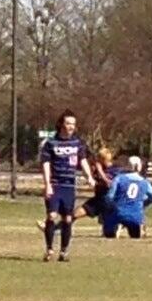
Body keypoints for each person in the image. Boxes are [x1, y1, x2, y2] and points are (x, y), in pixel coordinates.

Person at [40, 109, 95, 262]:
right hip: (55, 184)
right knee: (51, 215)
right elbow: (45, 164)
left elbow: (82, 161)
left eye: (73, 124)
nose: (71, 127)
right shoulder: (50, 143)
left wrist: (89, 177)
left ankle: (64, 251)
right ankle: (49, 249)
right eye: (68, 123)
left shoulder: (77, 143)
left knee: (68, 219)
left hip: (69, 186)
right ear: (61, 124)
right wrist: (47, 184)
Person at [105, 156, 152, 238]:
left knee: (109, 230)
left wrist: (112, 207)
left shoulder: (119, 178)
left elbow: (109, 197)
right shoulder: (144, 182)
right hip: (136, 215)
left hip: (119, 212)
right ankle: (138, 228)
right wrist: (143, 204)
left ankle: (115, 227)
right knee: (135, 234)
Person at [73, 146, 119, 237]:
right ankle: (53, 228)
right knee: (75, 214)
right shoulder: (97, 168)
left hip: (109, 202)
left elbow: (109, 184)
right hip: (98, 200)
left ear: (104, 159)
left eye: (99, 159)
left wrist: (100, 170)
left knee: (109, 234)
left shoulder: (115, 170)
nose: (97, 161)